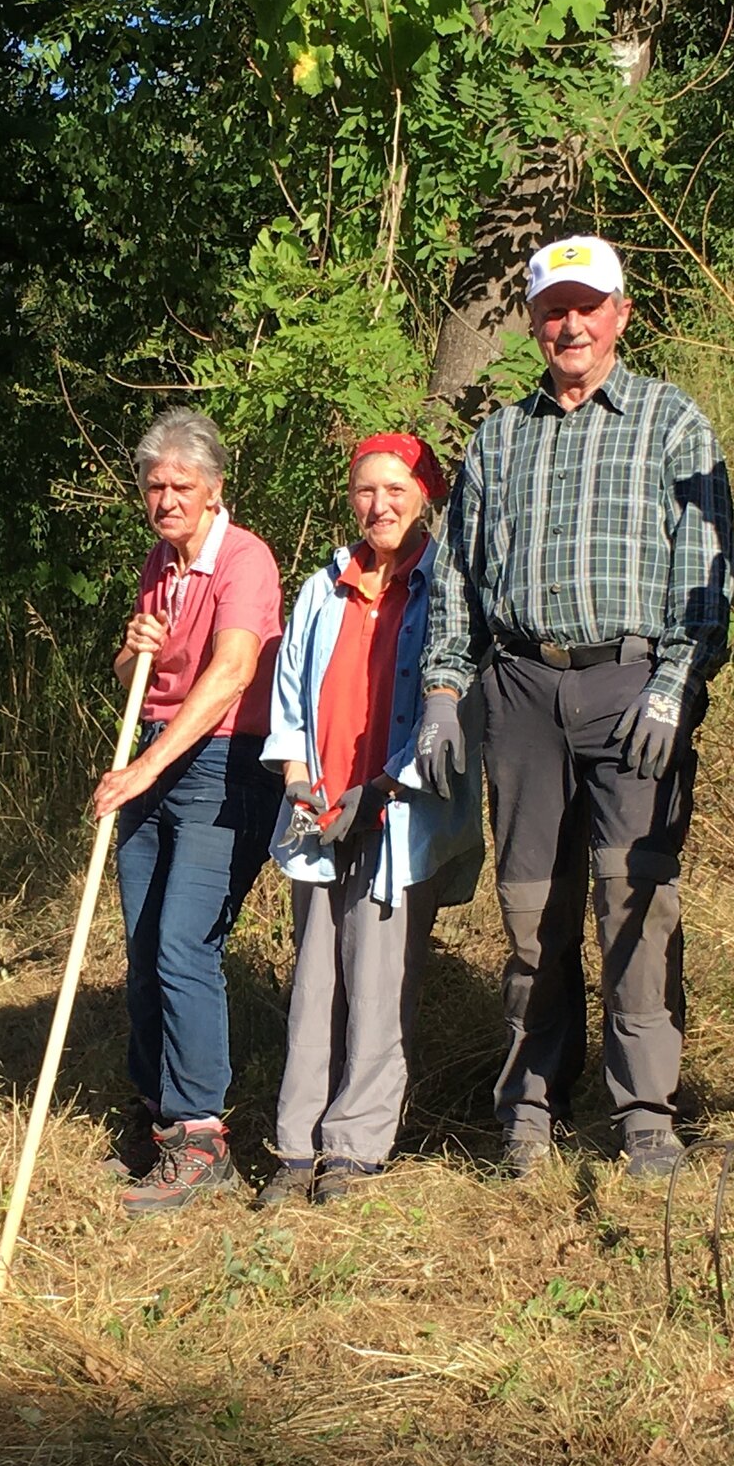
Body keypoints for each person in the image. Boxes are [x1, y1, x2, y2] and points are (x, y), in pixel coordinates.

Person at [418, 235, 734, 1181]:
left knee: (634, 902)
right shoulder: (499, 438)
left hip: (630, 687)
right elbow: (457, 581)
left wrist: (677, 685)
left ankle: (645, 1110)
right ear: (531, 321)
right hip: (518, 692)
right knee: (531, 911)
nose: (570, 324)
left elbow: (709, 575)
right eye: (553, 307)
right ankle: (528, 1102)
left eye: (587, 305)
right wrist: (443, 693)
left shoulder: (671, 423)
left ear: (620, 314)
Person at [256, 434, 483, 1207]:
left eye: (396, 489)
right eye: (365, 491)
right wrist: (297, 781)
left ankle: (354, 1148)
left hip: (395, 812)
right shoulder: (324, 586)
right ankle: (295, 1148)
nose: (379, 505)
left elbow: (453, 709)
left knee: (380, 984)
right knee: (314, 981)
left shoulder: (445, 588)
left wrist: (384, 789)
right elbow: (291, 694)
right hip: (318, 811)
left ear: (425, 494)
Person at [91, 408, 284, 1215]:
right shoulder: (159, 563)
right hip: (159, 748)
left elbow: (232, 673)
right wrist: (131, 649)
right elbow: (132, 669)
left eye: (181, 486)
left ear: (215, 490)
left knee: (182, 945)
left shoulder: (245, 560)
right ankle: (155, 1117)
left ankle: (201, 1140)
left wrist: (142, 770)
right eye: (153, 485)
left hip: (224, 762)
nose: (165, 498)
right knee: (142, 947)